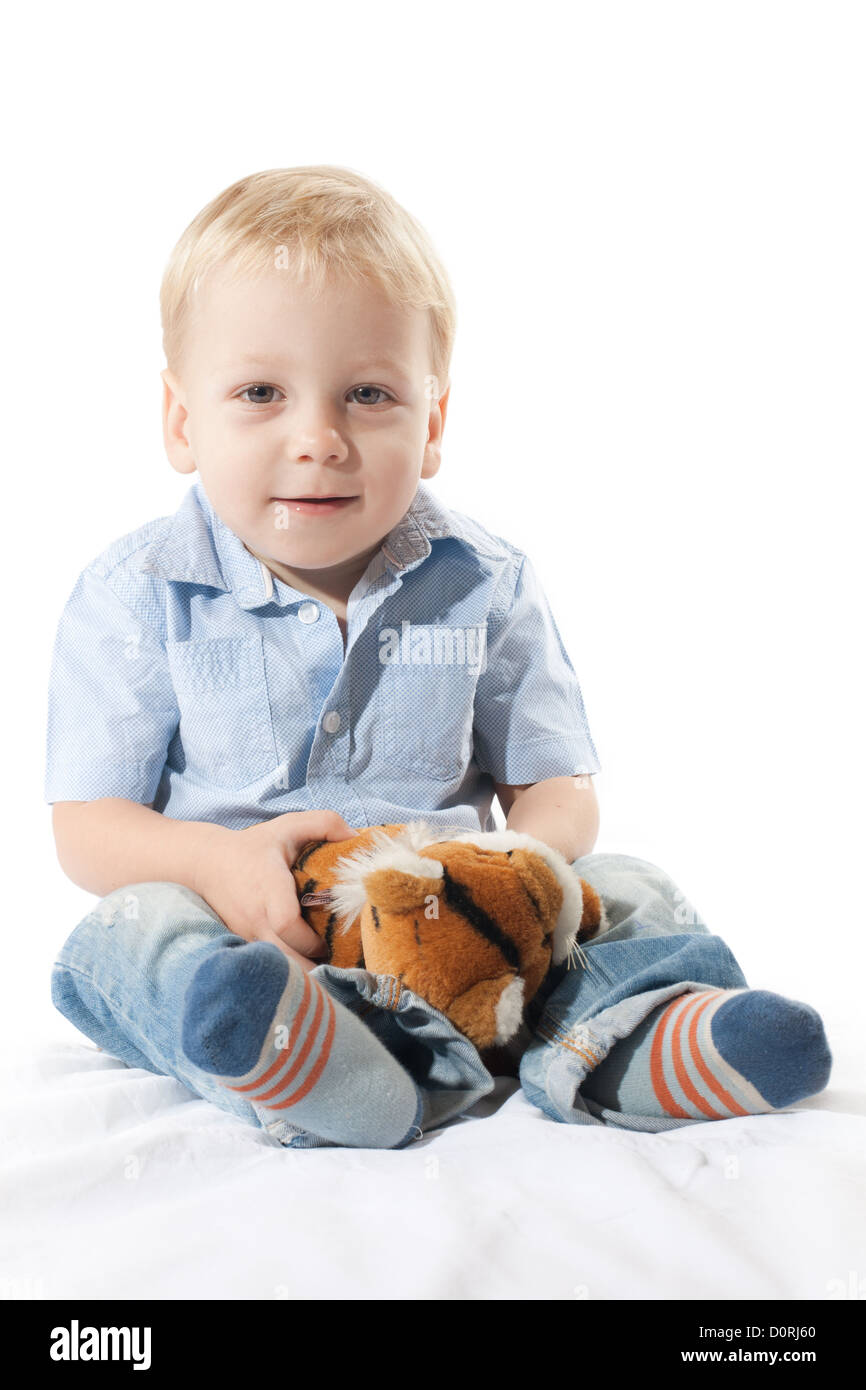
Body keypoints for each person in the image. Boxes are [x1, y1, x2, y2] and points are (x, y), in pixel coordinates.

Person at [46, 166, 832, 1149]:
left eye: (367, 394)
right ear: (180, 420)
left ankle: (638, 1038)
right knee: (125, 938)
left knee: (625, 884)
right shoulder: (135, 593)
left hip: (462, 945)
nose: (318, 438)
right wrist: (212, 860)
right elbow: (87, 826)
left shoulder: (485, 581)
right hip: (265, 936)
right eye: (259, 392)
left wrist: (515, 866)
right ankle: (301, 1054)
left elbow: (560, 784)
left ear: (432, 424)